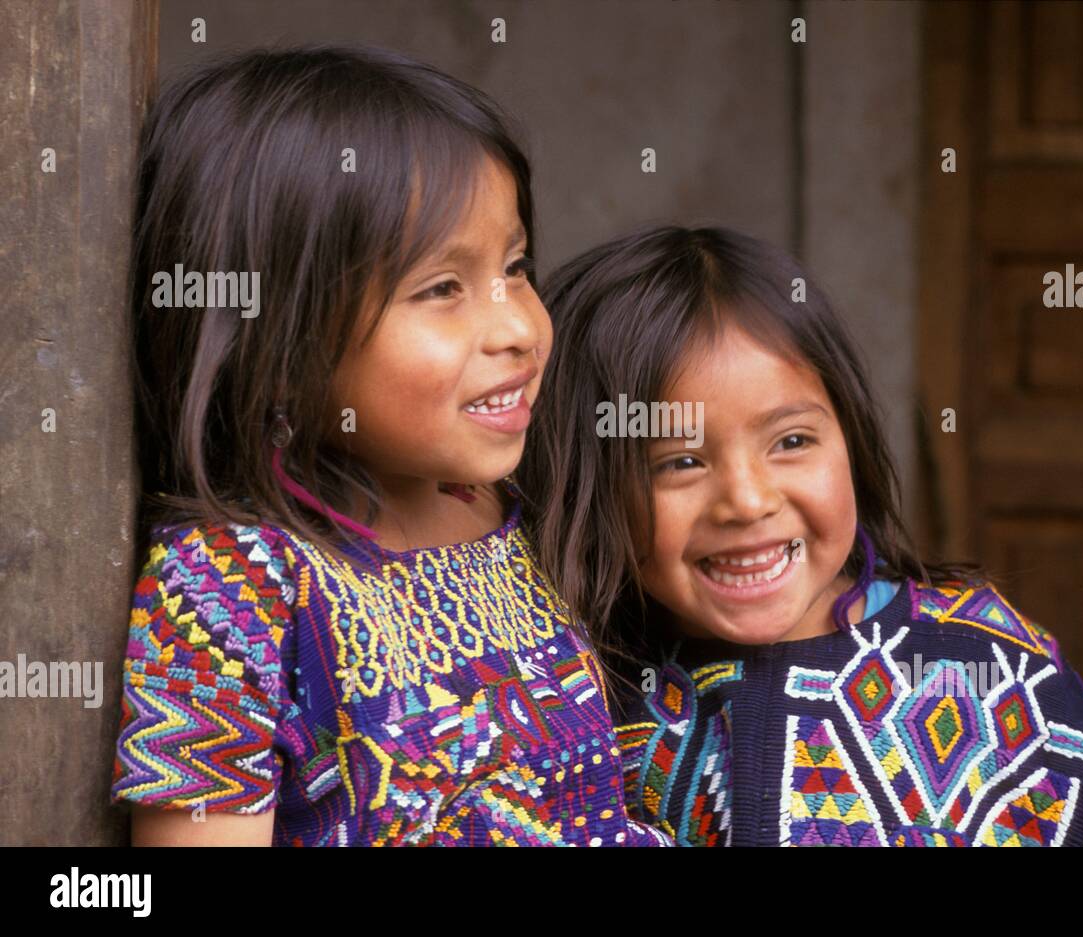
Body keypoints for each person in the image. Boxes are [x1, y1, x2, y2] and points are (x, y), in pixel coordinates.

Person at [108, 44, 671, 847]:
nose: (518, 327)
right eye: (442, 288)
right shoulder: (229, 590)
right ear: (277, 345)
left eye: (515, 267)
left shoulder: (525, 507)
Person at [518, 224, 1083, 847]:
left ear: (849, 436)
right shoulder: (584, 706)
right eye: (680, 462)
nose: (749, 501)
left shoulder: (987, 663)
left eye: (791, 441)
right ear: (588, 488)